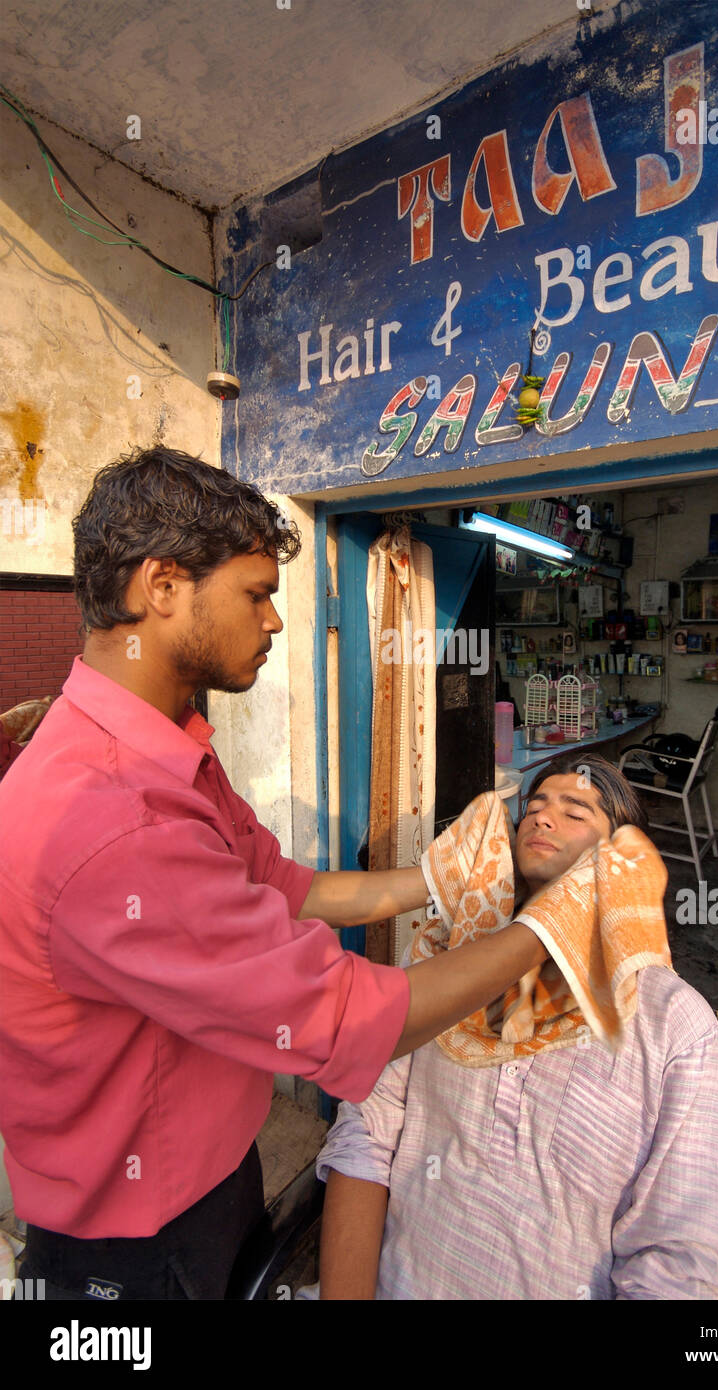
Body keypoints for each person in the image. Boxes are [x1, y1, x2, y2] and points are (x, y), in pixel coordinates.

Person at [0, 447, 550, 1301]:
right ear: (163, 585)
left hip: (209, 1178)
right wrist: (552, 926)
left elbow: (294, 888)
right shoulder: (116, 818)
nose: (276, 622)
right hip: (133, 1245)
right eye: (256, 594)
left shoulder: (166, 755)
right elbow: (345, 1019)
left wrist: (445, 877)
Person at [314, 753, 718, 1300]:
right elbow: (368, 1134)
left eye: (576, 814)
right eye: (535, 807)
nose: (542, 819)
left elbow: (688, 1264)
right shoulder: (443, 960)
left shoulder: (672, 1026)